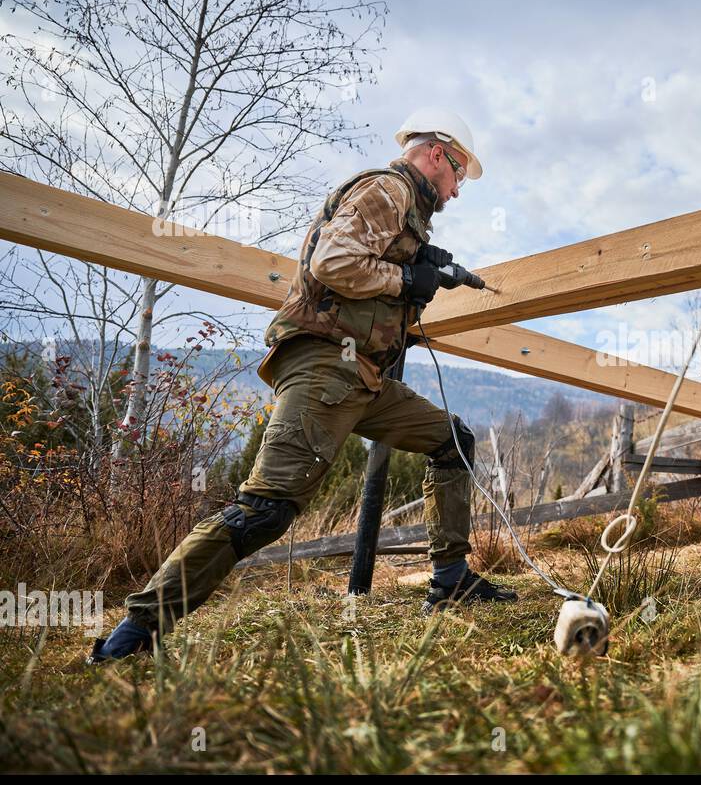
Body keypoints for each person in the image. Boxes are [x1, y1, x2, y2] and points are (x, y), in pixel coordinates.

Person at [89, 108, 516, 663]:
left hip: (361, 378)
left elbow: (365, 285)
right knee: (267, 509)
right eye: (458, 174)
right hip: (326, 370)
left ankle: (451, 577)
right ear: (436, 153)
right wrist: (407, 278)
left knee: (451, 440)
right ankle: (136, 632)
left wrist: (420, 281)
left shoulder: (408, 213)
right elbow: (333, 261)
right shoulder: (388, 191)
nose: (457, 190)